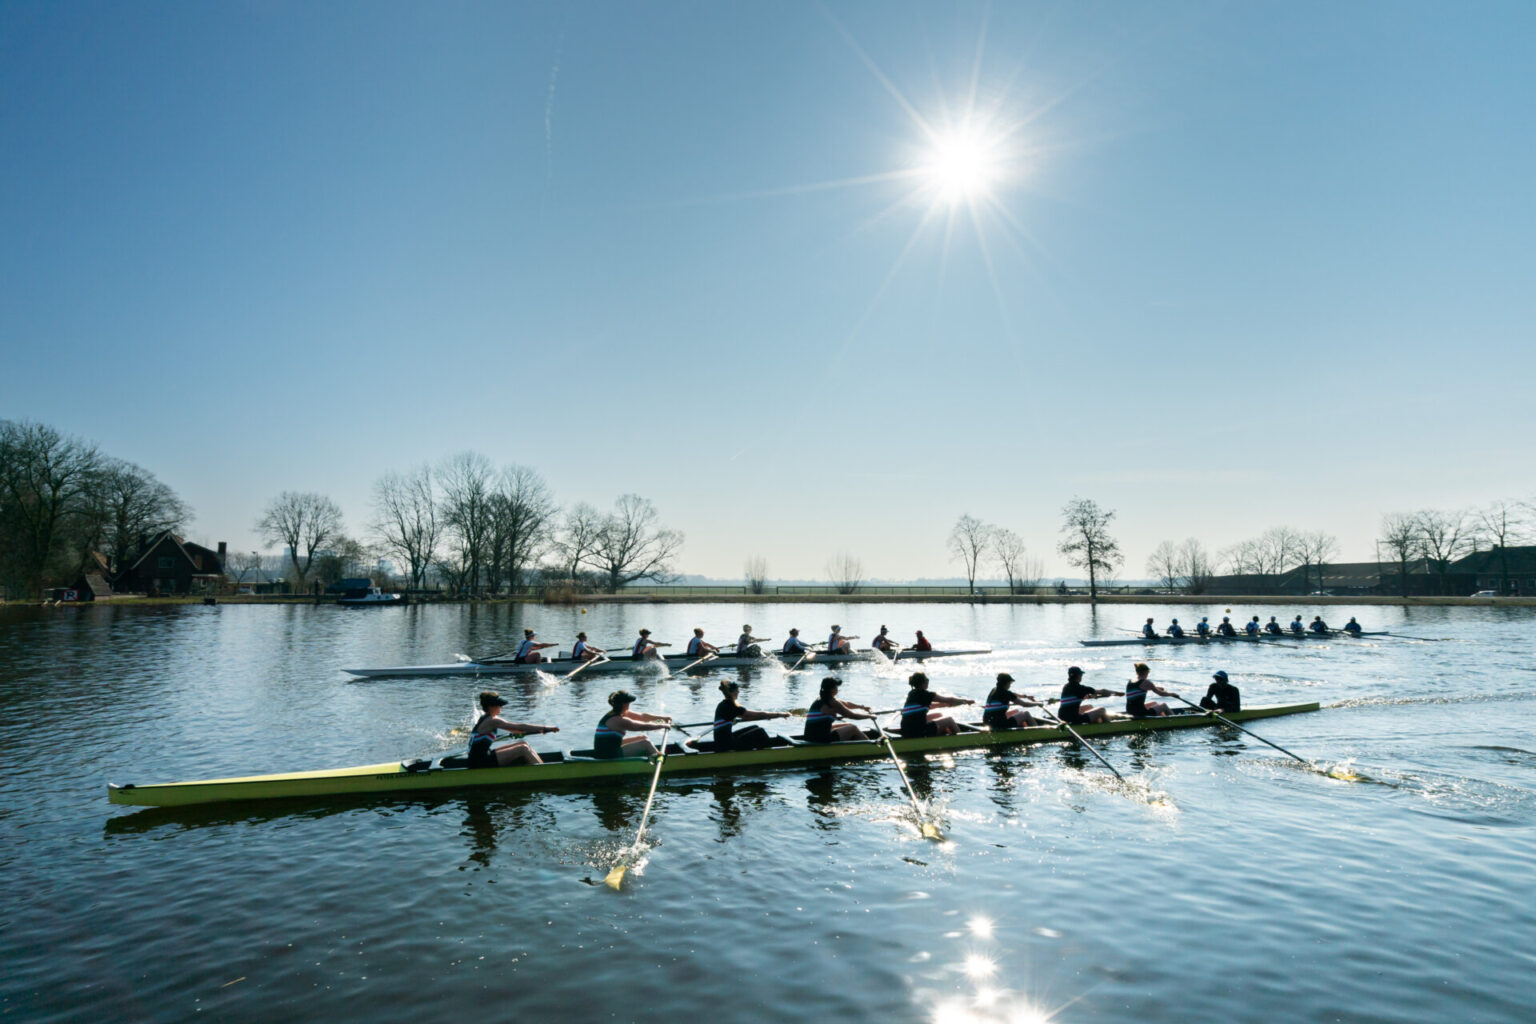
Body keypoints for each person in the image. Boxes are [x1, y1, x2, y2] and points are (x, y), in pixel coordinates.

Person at [468, 692, 559, 768]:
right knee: (523, 749)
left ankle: (539, 766)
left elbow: (517, 731)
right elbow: (520, 726)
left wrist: (540, 730)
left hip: (479, 757)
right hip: (480, 762)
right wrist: (545, 728)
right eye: (499, 705)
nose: (501, 707)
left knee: (523, 743)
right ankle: (544, 771)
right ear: (491, 707)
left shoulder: (485, 718)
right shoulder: (492, 720)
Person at [694, 680, 791, 751]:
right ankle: (772, 753)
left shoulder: (723, 704)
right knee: (760, 731)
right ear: (732, 692)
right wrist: (780, 714)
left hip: (722, 741)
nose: (739, 692)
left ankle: (761, 750)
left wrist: (766, 716)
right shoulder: (731, 706)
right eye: (737, 690)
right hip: (727, 745)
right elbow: (760, 714)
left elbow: (746, 717)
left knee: (755, 727)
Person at [593, 690, 672, 758]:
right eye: (629, 703)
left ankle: (651, 756)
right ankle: (660, 763)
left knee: (643, 737)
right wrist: (663, 726)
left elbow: (642, 716)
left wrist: (663, 718)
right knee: (646, 743)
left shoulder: (614, 713)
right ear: (624, 704)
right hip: (607, 755)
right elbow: (640, 726)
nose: (629, 705)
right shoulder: (619, 720)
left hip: (608, 747)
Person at [900, 672, 974, 737]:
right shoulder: (927, 694)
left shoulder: (912, 694)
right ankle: (961, 739)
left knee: (938, 715)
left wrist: (946, 705)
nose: (928, 682)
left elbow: (933, 706)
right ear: (923, 683)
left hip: (906, 730)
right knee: (949, 720)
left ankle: (944, 735)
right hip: (918, 732)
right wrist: (966, 702)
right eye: (927, 680)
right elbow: (949, 700)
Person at [804, 676, 875, 742]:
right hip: (818, 739)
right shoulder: (831, 702)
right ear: (832, 689)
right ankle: (871, 747)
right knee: (853, 728)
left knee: (849, 725)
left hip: (811, 735)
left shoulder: (821, 699)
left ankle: (856, 746)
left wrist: (862, 707)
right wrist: (870, 716)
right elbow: (851, 715)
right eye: (836, 687)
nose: (838, 689)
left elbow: (846, 704)